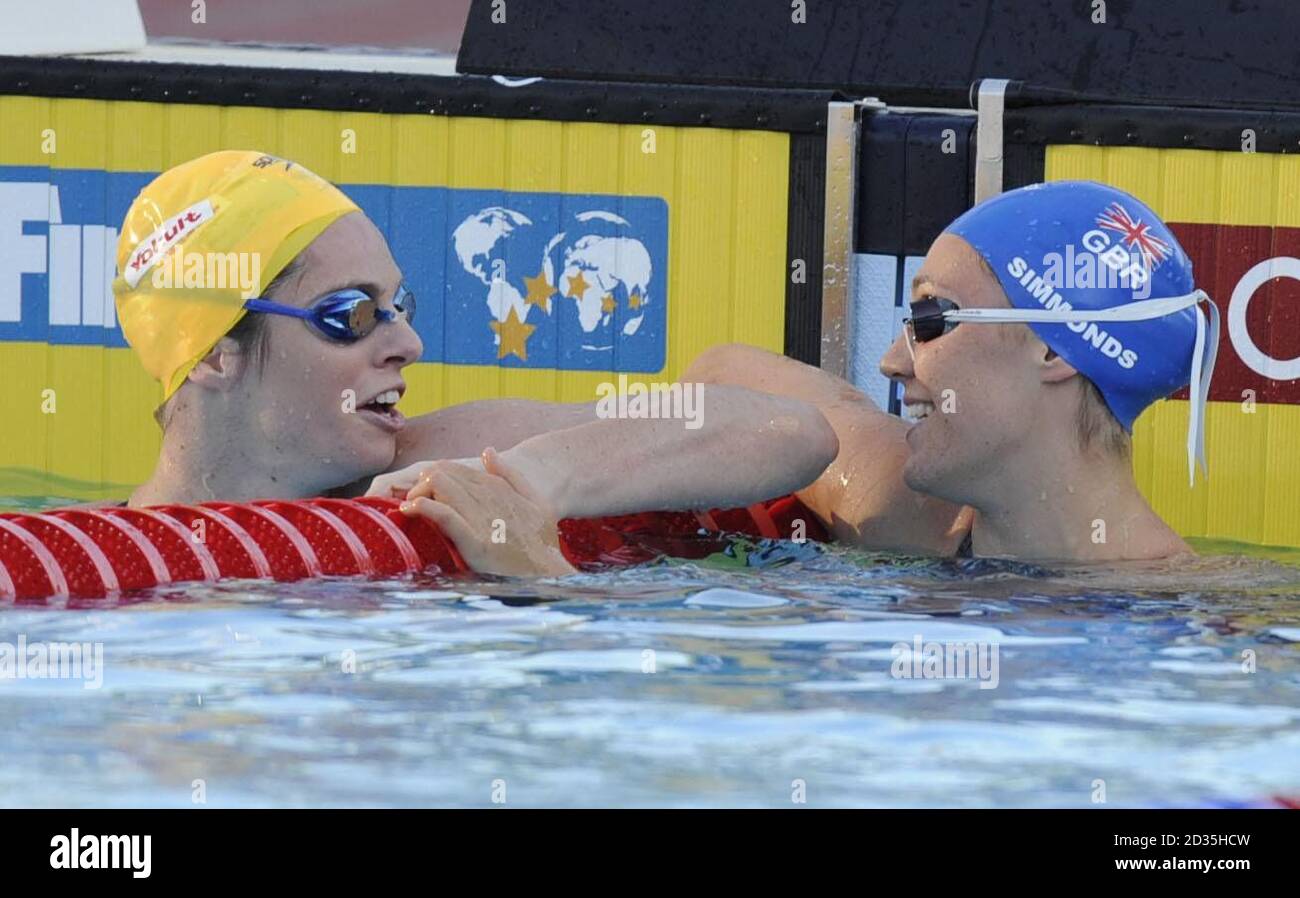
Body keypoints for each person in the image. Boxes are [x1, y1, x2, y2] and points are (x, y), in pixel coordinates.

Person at [113, 150, 838, 576]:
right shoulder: (96, 562)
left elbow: (791, 431)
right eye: (351, 315)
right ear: (216, 355)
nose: (407, 344)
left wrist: (528, 486)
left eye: (399, 306)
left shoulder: (443, 462)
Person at [685, 181, 1219, 562]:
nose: (892, 362)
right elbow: (723, 372)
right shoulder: (903, 513)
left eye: (931, 319)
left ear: (1053, 353)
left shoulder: (1179, 625)